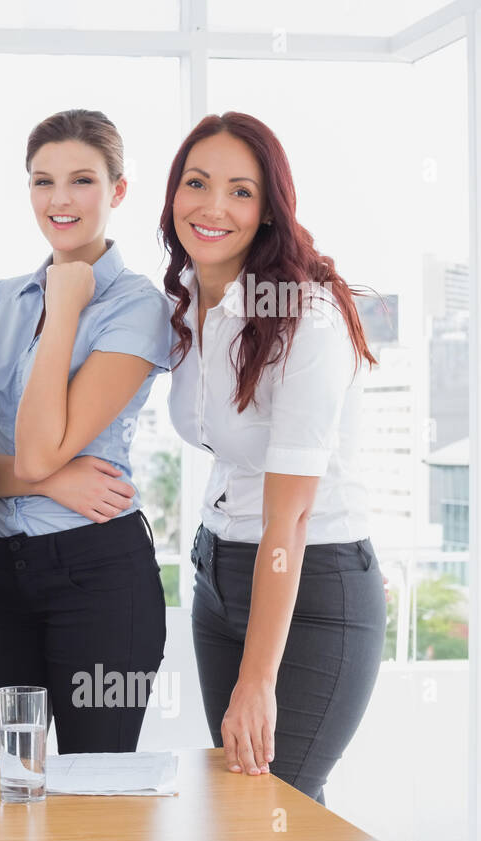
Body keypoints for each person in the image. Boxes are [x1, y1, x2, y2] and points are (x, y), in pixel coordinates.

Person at [162, 112, 384, 803]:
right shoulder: (191, 303)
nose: (212, 206)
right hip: (217, 572)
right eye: (196, 183)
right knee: (241, 807)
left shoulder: (307, 317)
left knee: (278, 806)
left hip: (311, 583)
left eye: (240, 191)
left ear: (268, 212)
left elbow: (289, 520)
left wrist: (258, 680)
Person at [0, 110, 173, 760]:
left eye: (82, 180)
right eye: (41, 180)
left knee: (96, 794)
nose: (59, 199)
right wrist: (51, 477)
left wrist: (66, 306)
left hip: (99, 575)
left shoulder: (139, 306)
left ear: (118, 189)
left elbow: (30, 448)